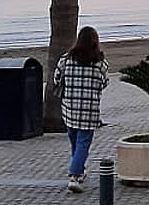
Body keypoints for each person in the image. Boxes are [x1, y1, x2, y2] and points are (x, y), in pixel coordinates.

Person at [53, 26, 109, 194]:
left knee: (75, 141)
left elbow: (57, 78)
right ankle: (75, 174)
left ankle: (78, 171)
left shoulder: (66, 59)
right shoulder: (100, 63)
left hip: (70, 109)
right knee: (82, 143)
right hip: (89, 111)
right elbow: (104, 83)